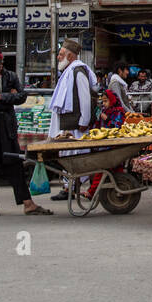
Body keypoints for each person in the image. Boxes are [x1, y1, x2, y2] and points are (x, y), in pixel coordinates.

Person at [0, 43, 51, 216]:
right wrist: (9, 97)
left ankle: (28, 203)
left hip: (7, 127)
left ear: (2, 60)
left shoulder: (11, 76)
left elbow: (22, 96)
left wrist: (0, 96)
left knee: (15, 164)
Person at [48, 39, 95, 202]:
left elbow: (85, 99)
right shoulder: (68, 71)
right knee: (68, 157)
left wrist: (84, 120)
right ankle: (69, 187)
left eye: (61, 55)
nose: (58, 58)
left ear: (70, 55)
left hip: (77, 125)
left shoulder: (78, 71)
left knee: (76, 157)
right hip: (68, 125)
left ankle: (70, 187)